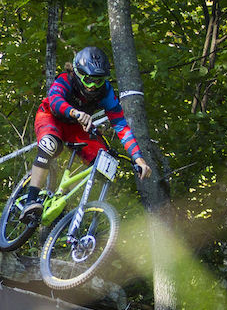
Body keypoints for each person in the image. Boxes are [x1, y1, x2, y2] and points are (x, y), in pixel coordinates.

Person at [21, 46, 152, 223]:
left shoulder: (106, 92)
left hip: (78, 127)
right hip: (51, 117)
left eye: (98, 81)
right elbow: (55, 100)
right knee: (51, 145)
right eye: (88, 79)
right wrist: (75, 112)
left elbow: (121, 126)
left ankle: (64, 196)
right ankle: (31, 199)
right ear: (77, 73)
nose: (92, 86)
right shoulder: (66, 80)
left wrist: (138, 159)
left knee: (103, 163)